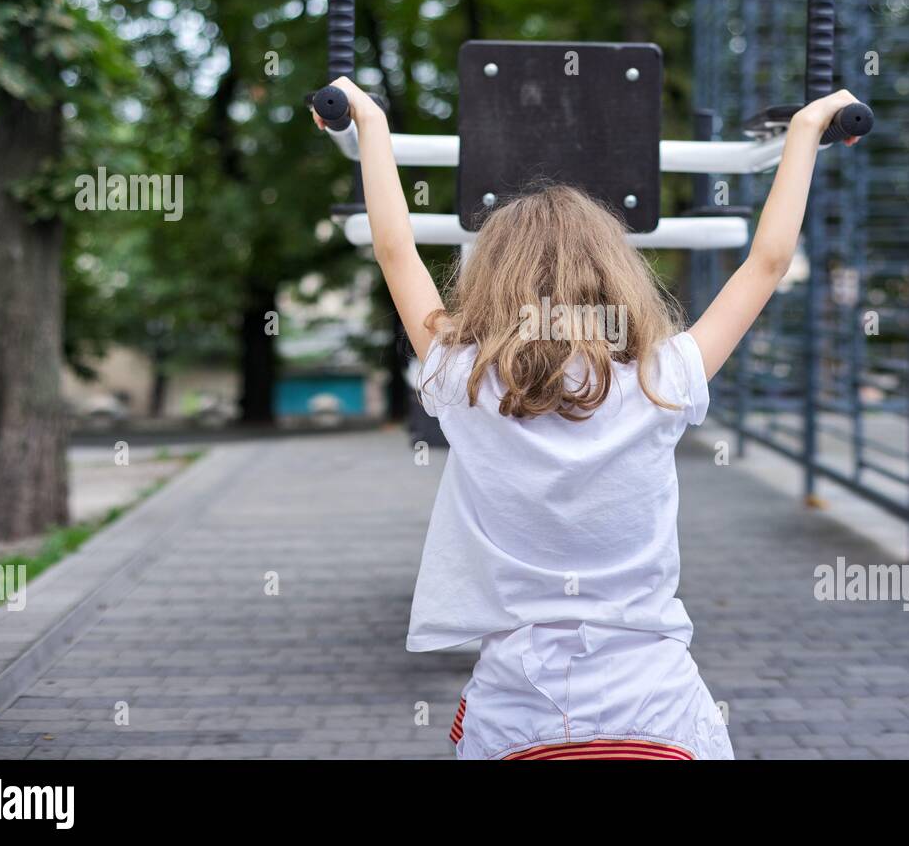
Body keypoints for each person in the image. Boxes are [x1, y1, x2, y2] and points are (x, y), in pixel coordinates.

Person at [313, 76, 860, 760]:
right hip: (659, 711)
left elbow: (396, 251)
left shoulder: (465, 378)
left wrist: (370, 122)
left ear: (496, 280)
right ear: (615, 275)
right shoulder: (664, 377)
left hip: (519, 716)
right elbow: (768, 261)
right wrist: (806, 131)